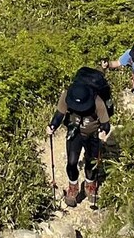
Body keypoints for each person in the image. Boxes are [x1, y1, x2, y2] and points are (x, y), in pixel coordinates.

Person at [47, 76, 112, 205]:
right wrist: (52, 126)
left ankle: (90, 184)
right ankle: (73, 187)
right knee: (71, 163)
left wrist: (103, 131)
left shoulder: (97, 101)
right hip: (74, 132)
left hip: (93, 134)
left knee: (90, 162)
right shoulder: (67, 95)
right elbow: (59, 114)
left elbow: (106, 123)